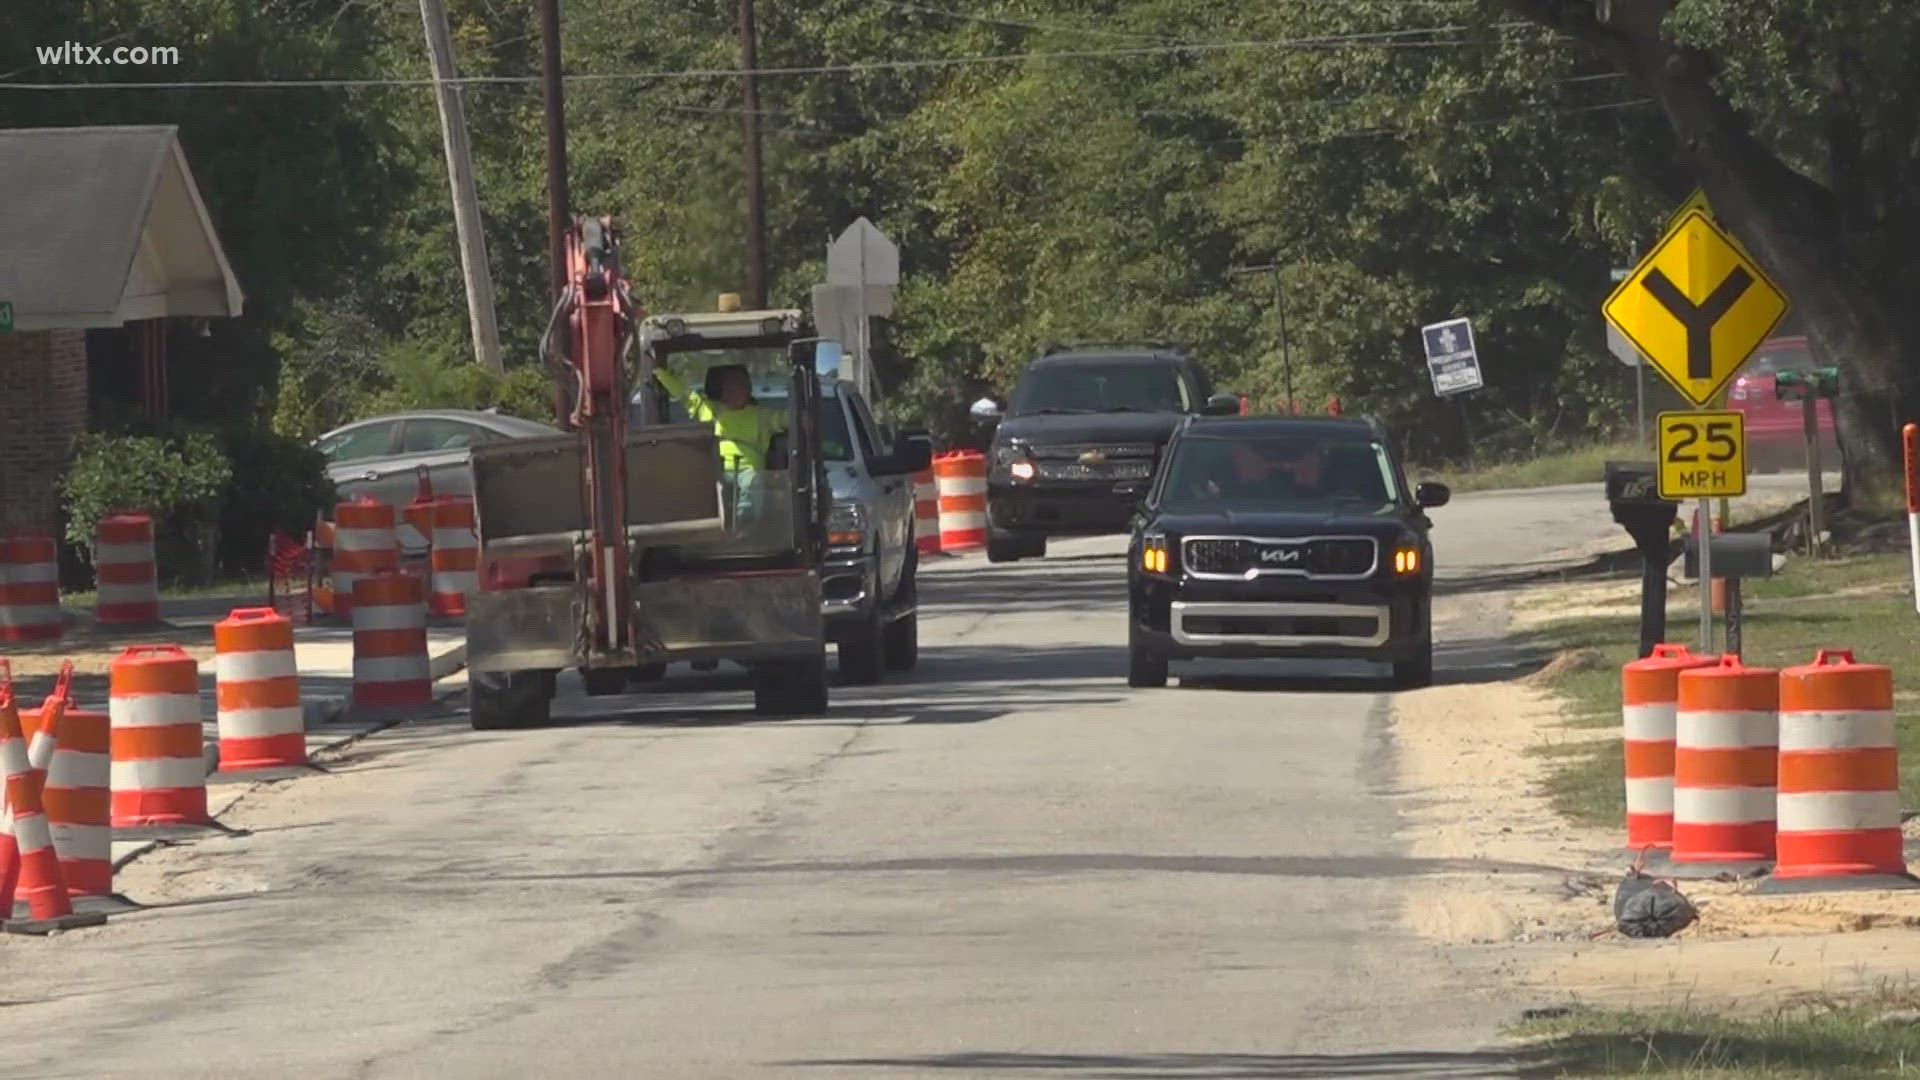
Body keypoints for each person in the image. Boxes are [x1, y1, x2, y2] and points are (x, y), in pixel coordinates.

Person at [652, 361, 788, 530]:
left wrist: (802, 417)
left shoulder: (761, 416)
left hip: (748, 471)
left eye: (739, 386)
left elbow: (784, 418)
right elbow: (685, 395)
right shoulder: (711, 412)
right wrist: (658, 370)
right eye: (729, 387)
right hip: (716, 470)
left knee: (753, 483)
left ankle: (743, 531)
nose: (734, 392)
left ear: (748, 390)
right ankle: (711, 532)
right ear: (721, 392)